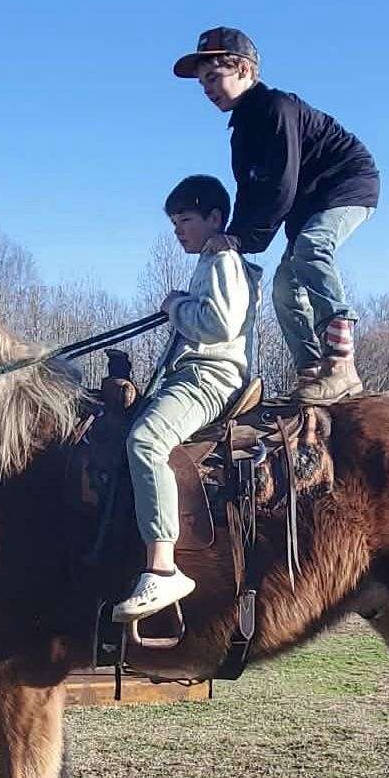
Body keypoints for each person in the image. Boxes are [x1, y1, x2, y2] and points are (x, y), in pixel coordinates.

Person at [173, 27, 380, 404]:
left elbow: (280, 185)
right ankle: (311, 372)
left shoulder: (276, 108)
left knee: (312, 248)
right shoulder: (241, 131)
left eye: (214, 77)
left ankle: (341, 364)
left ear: (246, 71)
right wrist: (236, 239)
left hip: (346, 183)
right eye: (203, 82)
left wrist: (240, 239)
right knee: (285, 286)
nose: (207, 89)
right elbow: (250, 193)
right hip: (309, 202)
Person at [112, 175, 262, 622]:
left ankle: (163, 567)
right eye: (175, 222)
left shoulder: (222, 257)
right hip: (196, 372)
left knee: (146, 442)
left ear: (215, 218)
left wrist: (174, 306)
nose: (179, 230)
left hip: (208, 376)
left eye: (186, 220)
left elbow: (218, 325)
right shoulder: (211, 260)